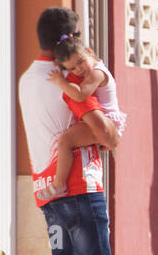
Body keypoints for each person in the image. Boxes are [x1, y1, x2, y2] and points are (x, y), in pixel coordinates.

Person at [17, 6, 121, 255]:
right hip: (81, 188)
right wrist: (110, 138)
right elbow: (106, 135)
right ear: (74, 38)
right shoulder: (72, 80)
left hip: (48, 191)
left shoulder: (28, 79)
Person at [46, 36, 128, 196]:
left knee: (65, 142)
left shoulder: (98, 73)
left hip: (107, 121)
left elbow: (81, 95)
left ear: (89, 52)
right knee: (67, 142)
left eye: (80, 62)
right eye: (73, 69)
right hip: (102, 121)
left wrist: (61, 82)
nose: (79, 69)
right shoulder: (92, 71)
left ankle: (58, 185)